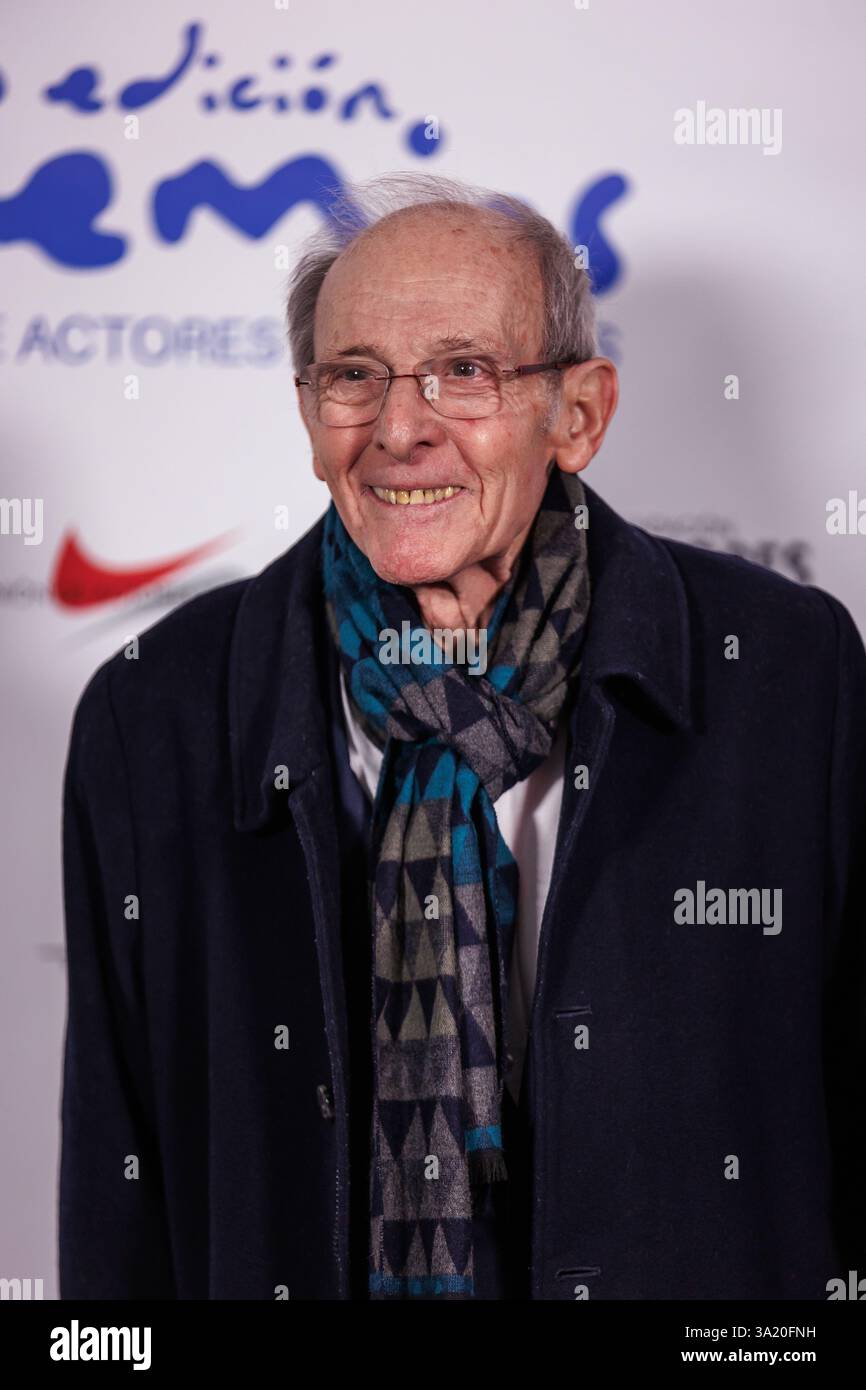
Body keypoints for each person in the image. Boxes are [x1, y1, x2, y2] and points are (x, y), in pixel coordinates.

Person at [59, 171, 866, 1301]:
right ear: (307, 413)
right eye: (353, 376)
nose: (398, 427)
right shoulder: (155, 711)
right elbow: (117, 1181)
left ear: (575, 415)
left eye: (463, 372)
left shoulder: (789, 673)